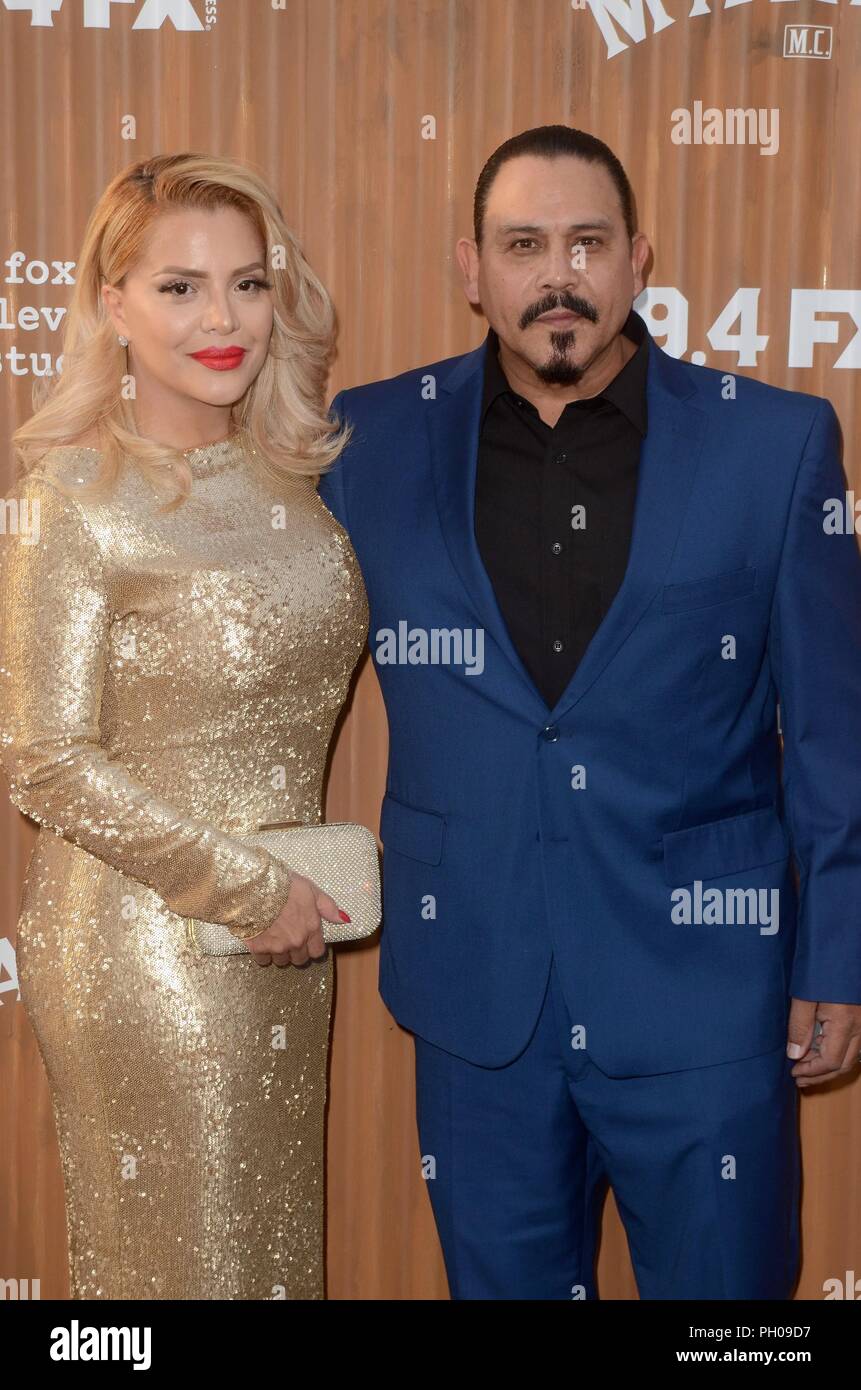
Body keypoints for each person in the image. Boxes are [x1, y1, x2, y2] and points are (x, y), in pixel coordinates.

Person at [318, 124, 861, 1299]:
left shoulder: (775, 443)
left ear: (638, 259)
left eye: (586, 243)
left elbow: (829, 731)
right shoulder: (368, 445)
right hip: (477, 999)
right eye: (523, 245)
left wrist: (839, 951)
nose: (557, 275)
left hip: (709, 996)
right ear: (472, 269)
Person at [0, 153, 368, 1299]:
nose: (224, 319)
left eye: (248, 284)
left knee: (262, 1258)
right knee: (182, 1270)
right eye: (179, 287)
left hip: (282, 935)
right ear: (112, 304)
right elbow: (41, 754)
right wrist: (244, 890)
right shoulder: (78, 493)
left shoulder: (289, 477)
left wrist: (273, 899)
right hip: (150, 941)